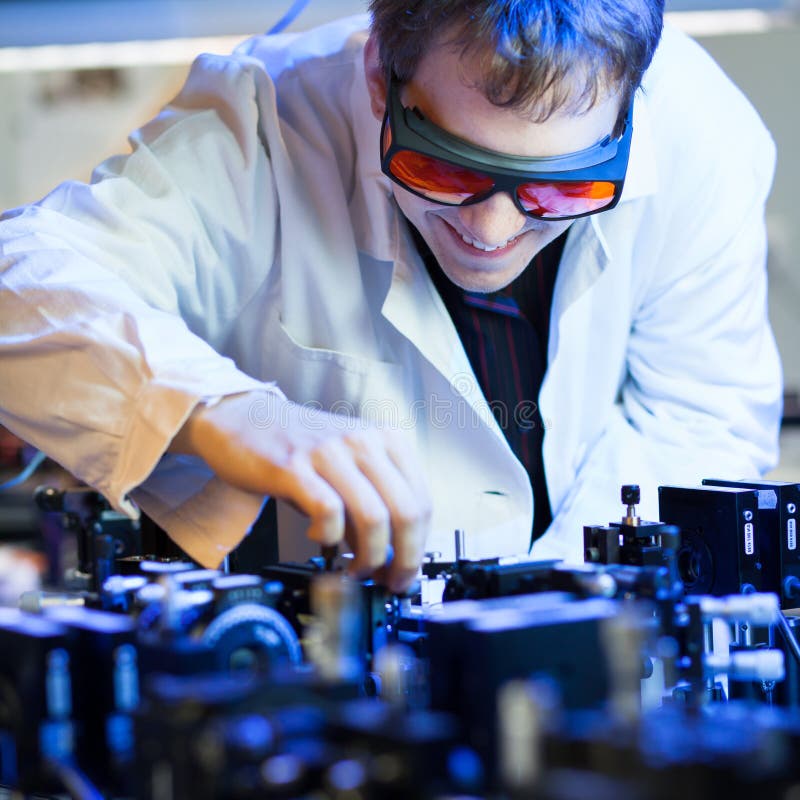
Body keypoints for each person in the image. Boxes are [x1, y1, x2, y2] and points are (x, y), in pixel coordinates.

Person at [0, 1, 782, 591]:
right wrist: (232, 411)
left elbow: (698, 421)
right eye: (447, 170)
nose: (491, 228)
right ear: (381, 78)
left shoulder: (698, 135)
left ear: (626, 116)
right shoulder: (267, 126)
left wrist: (548, 611)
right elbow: (24, 277)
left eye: (561, 188)